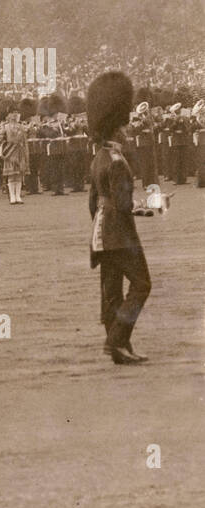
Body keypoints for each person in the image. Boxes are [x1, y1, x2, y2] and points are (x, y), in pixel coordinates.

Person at [86, 71, 153, 365]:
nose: (126, 131)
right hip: (119, 232)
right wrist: (151, 205)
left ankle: (120, 347)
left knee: (112, 290)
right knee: (142, 285)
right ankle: (115, 339)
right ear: (116, 130)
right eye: (123, 127)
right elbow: (125, 204)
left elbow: (93, 202)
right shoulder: (116, 161)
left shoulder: (98, 158)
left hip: (100, 232)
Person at [0, 106, 30, 204]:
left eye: (16, 112)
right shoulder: (5, 126)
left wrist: (26, 153)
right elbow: (0, 138)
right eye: (12, 112)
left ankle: (18, 196)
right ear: (8, 115)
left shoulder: (21, 126)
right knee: (11, 175)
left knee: (19, 175)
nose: (15, 114)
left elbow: (25, 141)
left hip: (19, 152)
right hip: (10, 153)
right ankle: (12, 196)